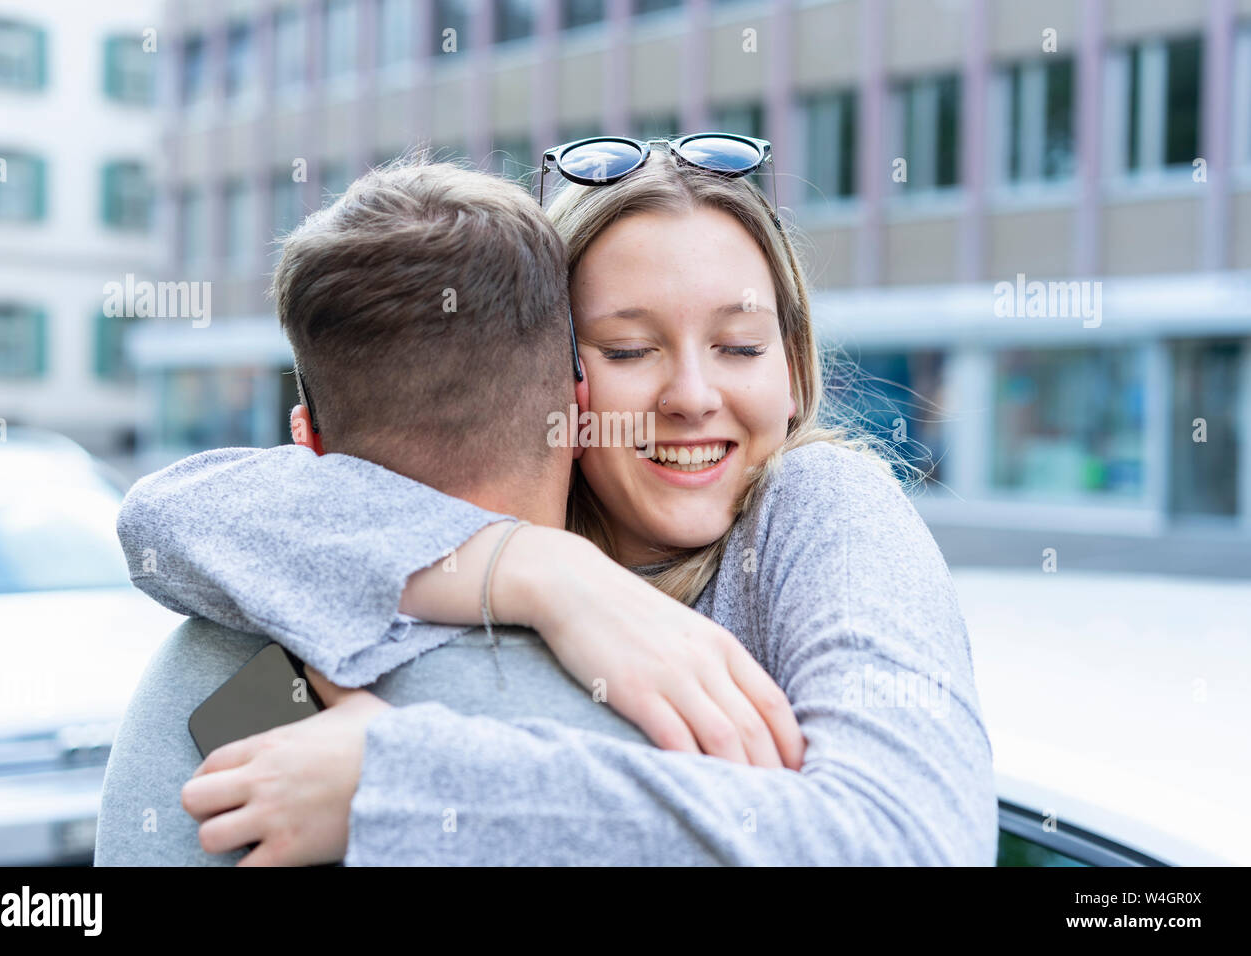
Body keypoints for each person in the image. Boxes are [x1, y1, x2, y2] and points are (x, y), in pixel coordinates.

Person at [106, 144, 997, 866]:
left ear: (794, 368)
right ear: (558, 383)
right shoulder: (512, 522)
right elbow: (172, 517)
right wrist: (532, 570)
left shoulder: (822, 506)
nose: (691, 394)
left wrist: (407, 782)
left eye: (739, 345)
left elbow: (913, 844)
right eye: (631, 348)